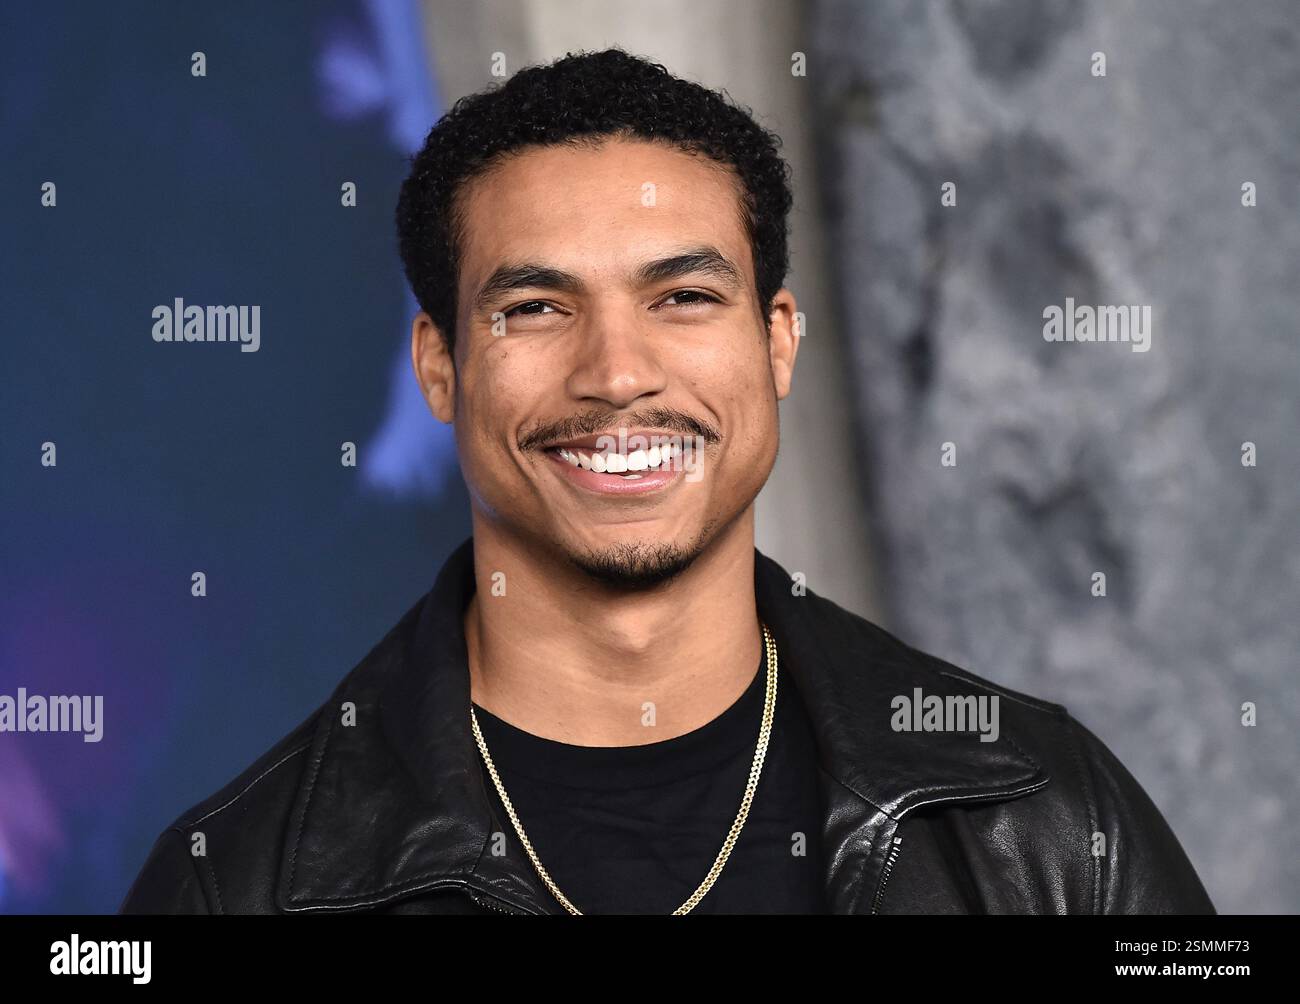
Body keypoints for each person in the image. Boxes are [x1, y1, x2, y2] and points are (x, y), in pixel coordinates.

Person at [120, 47, 1214, 915]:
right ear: (440, 367)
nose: (617, 373)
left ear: (776, 342)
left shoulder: (1044, 815)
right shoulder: (246, 881)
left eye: (683, 296)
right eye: (535, 307)